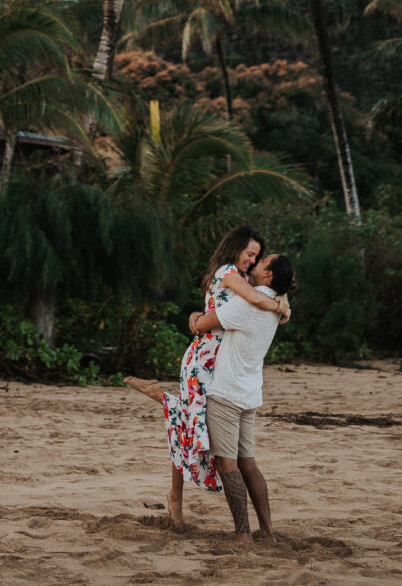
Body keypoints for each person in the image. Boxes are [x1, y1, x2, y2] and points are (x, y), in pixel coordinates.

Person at [125, 225, 290, 529]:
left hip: (220, 359)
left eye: (258, 257)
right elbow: (253, 299)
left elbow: (250, 298)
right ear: (235, 248)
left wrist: (283, 299)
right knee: (188, 422)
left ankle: (163, 399)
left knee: (189, 422)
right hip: (204, 359)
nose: (253, 260)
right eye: (250, 253)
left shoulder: (243, 277)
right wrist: (279, 303)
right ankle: (175, 495)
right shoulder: (228, 271)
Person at [190, 250, 297, 543]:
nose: (255, 263)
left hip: (226, 392)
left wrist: (194, 316)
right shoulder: (276, 306)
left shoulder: (249, 303)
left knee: (228, 465)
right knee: (248, 461)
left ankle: (242, 535)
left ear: (268, 274)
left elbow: (203, 325)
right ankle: (267, 531)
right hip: (250, 393)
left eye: (261, 261)